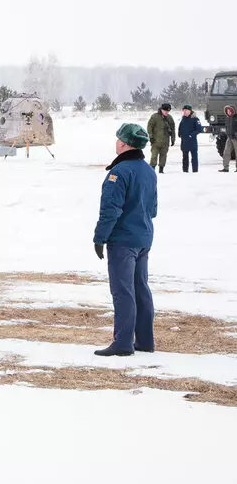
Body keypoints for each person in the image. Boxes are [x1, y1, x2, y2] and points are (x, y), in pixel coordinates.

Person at [92, 123, 158, 357]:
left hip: (123, 241)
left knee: (123, 291)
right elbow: (153, 209)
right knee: (141, 288)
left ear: (124, 143)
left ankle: (122, 343)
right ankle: (145, 340)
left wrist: (100, 238)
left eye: (118, 138)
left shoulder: (119, 172)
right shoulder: (148, 170)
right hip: (144, 237)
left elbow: (110, 210)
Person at [145, 103, 175, 173]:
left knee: (163, 156)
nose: (166, 112)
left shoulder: (169, 118)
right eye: (165, 111)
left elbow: (173, 129)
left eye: (168, 111)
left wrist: (173, 139)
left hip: (165, 141)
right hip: (155, 141)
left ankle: (161, 170)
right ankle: (152, 170)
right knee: (154, 156)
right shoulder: (155, 117)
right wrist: (151, 136)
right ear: (161, 109)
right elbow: (149, 127)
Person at [178, 105, 201, 173]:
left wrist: (191, 135)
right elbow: (181, 127)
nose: (184, 112)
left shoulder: (195, 119)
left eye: (186, 110)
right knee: (185, 157)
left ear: (190, 111)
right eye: (183, 110)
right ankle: (185, 171)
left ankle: (195, 170)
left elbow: (199, 129)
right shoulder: (183, 118)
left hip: (192, 141)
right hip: (184, 141)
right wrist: (179, 133)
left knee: (194, 157)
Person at [222, 105, 237, 172]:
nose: (228, 112)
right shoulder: (227, 118)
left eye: (230, 110)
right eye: (227, 111)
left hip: (236, 138)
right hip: (229, 138)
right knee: (226, 152)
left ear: (233, 111)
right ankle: (226, 168)